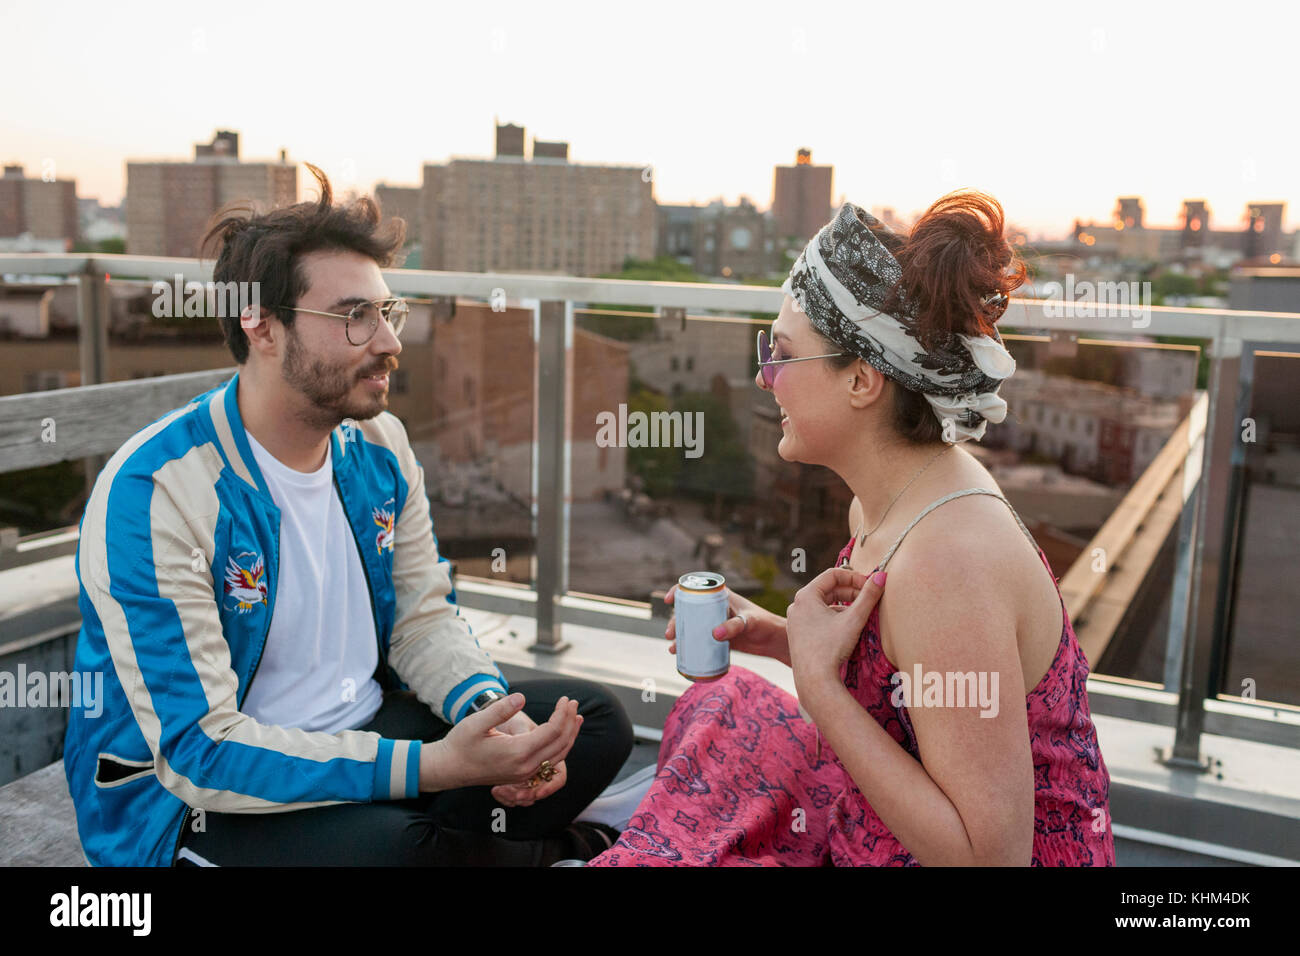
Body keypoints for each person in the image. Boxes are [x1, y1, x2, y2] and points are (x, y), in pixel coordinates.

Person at [63, 165, 632, 866]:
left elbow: (424, 619)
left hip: (362, 723)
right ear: (263, 326)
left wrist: (488, 720)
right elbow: (199, 752)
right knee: (404, 854)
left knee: (595, 720)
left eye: (386, 313)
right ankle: (542, 849)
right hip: (198, 803)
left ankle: (506, 846)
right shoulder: (158, 492)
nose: (389, 342)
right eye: (354, 317)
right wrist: (434, 769)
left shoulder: (379, 448)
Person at [589, 193, 1115, 866]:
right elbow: (910, 689)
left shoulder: (948, 562)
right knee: (724, 705)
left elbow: (993, 856)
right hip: (901, 827)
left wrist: (817, 686)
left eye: (780, 353)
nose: (763, 376)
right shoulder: (887, 500)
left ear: (863, 380)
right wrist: (784, 642)